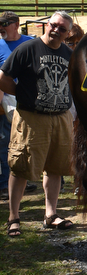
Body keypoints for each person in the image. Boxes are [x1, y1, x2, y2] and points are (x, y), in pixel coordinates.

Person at [1, 11, 76, 237]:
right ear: (47, 24)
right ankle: (14, 217)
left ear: (67, 33)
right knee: (21, 166)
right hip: (31, 117)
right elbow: (3, 77)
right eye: (53, 25)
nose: (56, 30)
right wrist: (24, 95)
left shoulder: (68, 54)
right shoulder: (28, 49)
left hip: (61, 118)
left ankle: (50, 215)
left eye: (62, 29)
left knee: (55, 168)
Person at [0, 11, 34, 201]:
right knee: (6, 141)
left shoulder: (31, 42)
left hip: (29, 99)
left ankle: (25, 179)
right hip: (4, 99)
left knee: (28, 141)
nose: (1, 28)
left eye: (5, 23)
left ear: (16, 24)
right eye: (0, 24)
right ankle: (5, 183)